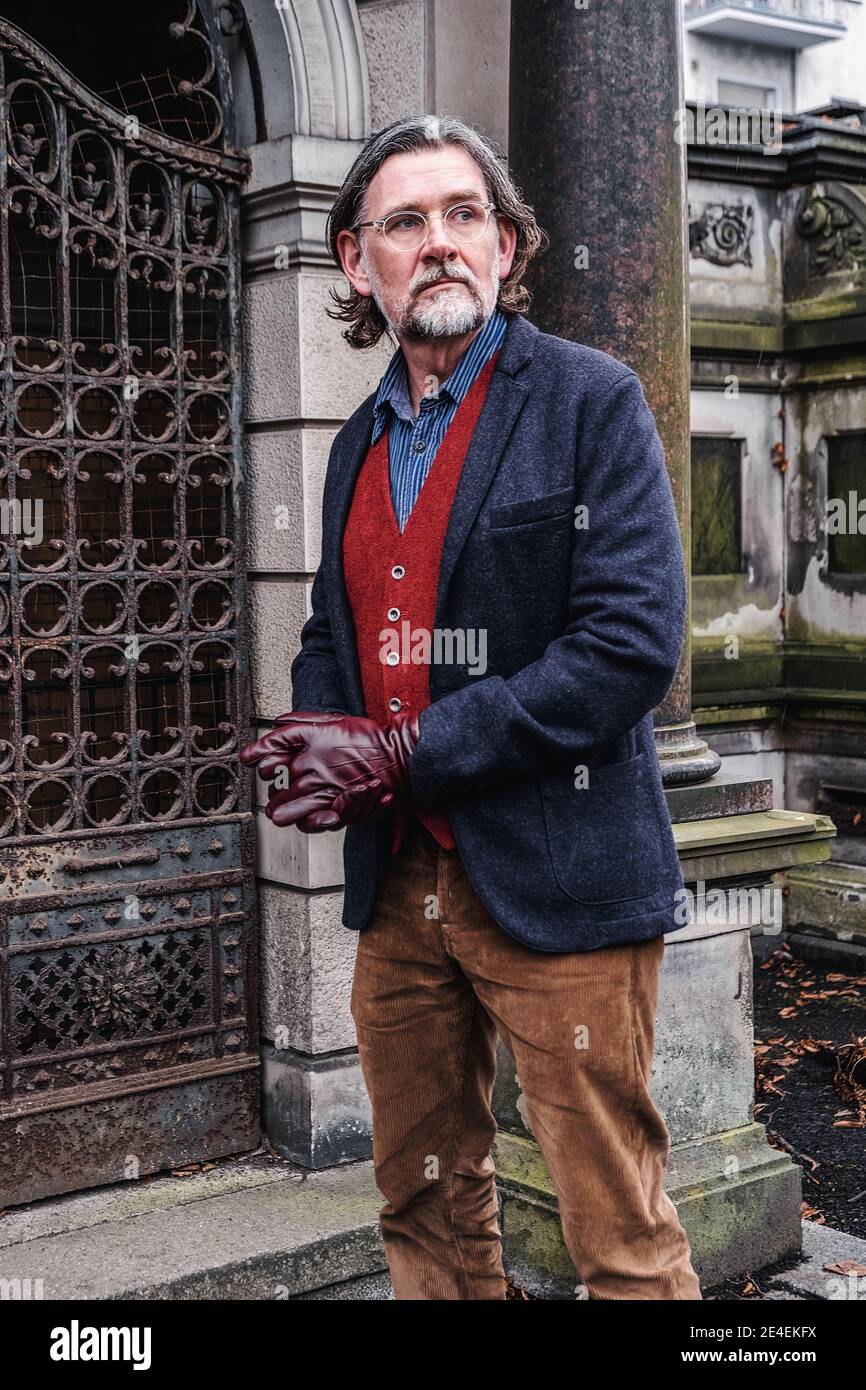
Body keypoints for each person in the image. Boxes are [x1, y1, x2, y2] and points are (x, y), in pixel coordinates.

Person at [240, 113, 702, 1301]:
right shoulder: (351, 446)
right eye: (404, 222)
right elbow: (327, 633)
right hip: (400, 890)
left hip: (560, 879)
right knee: (425, 1201)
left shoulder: (588, 400)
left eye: (463, 217)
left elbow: (627, 647)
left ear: (503, 245)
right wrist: (317, 735)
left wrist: (400, 753)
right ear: (356, 260)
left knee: (618, 1232)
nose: (438, 243)